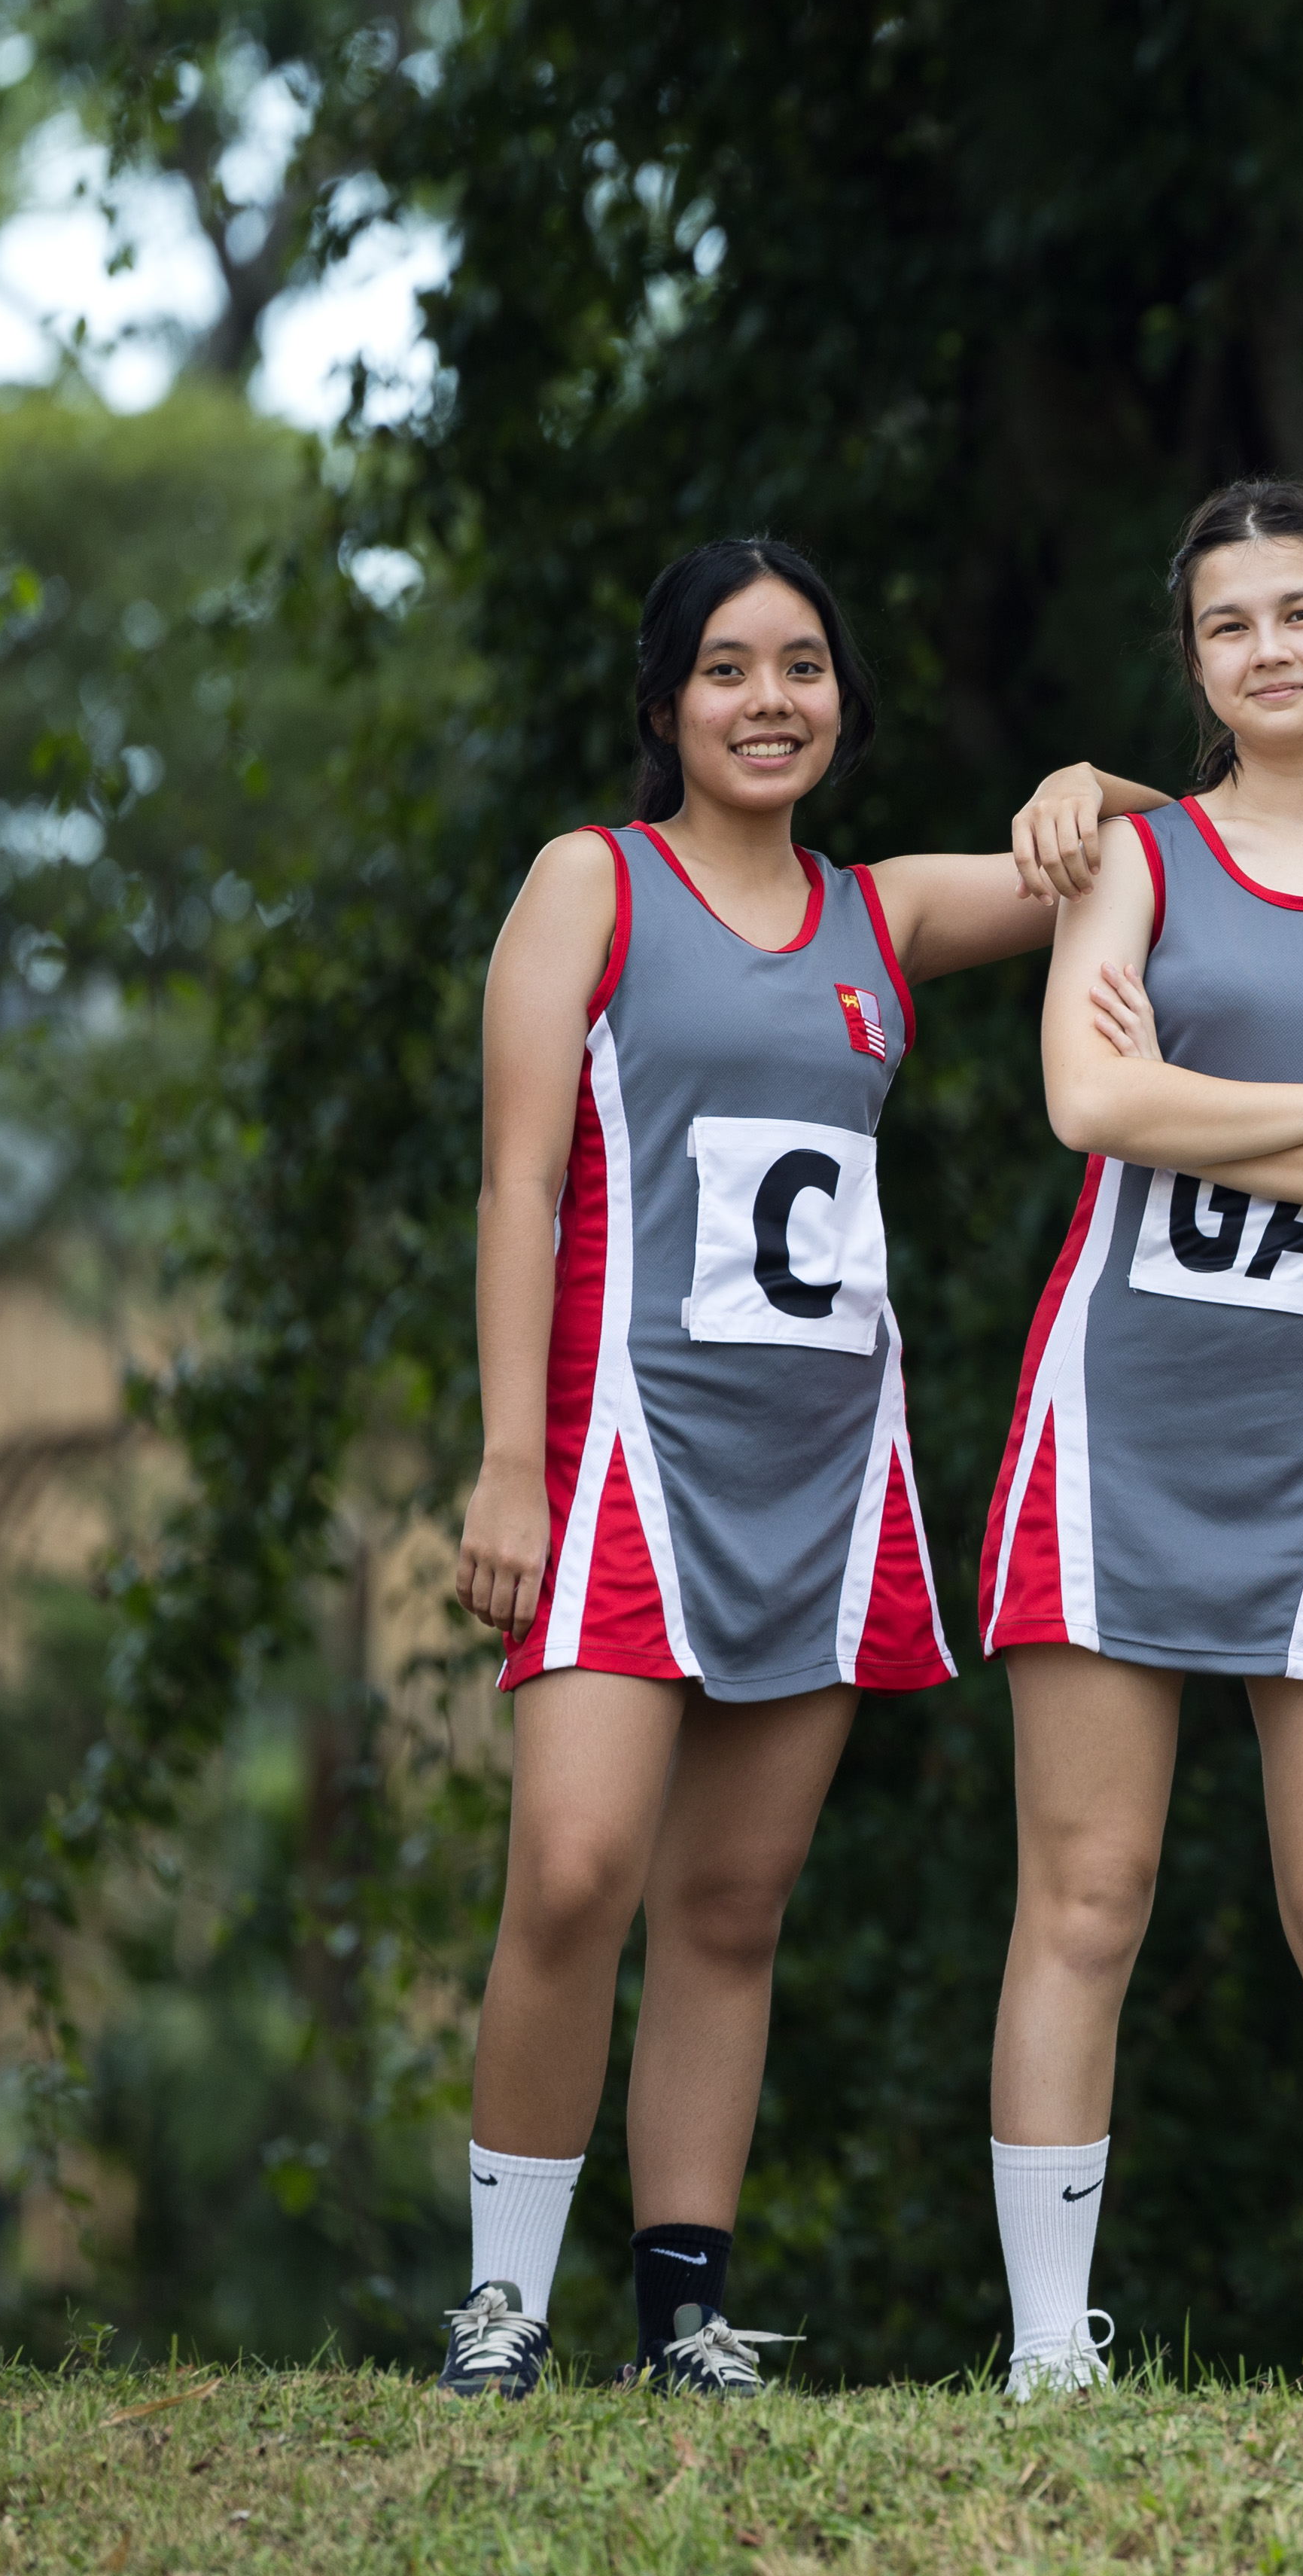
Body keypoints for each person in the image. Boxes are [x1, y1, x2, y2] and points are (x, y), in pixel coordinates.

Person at [440, 535, 1164, 2399]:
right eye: (729, 669)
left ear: (844, 697)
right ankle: (502, 2301)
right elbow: (519, 1180)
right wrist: (507, 1459)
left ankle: (685, 2310)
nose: (771, 700)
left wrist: (1100, 785)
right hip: (623, 1447)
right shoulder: (588, 886)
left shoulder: (889, 911)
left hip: (828, 1467)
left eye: (806, 666)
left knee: (736, 1902)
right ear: (666, 702)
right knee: (578, 1861)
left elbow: (1205, 834)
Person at [975, 480, 1303, 2403]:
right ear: (1194, 662)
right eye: (1228, 623)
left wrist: (1202, 1097)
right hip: (1114, 1422)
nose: (1269, 646)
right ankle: (1051, 2342)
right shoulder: (1139, 852)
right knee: (1089, 1890)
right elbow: (1079, 1103)